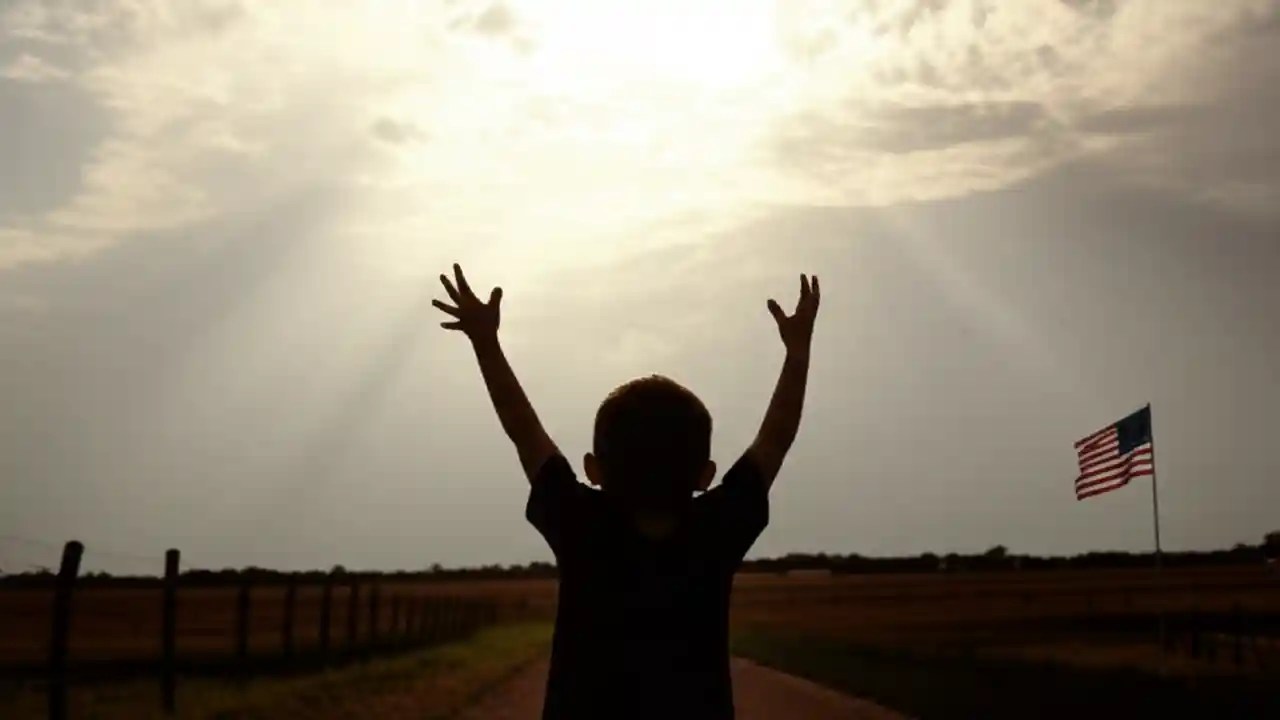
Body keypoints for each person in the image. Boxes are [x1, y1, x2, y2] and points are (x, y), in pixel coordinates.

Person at [433, 263, 820, 719]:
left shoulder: (580, 524)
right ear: (706, 474)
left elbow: (522, 428)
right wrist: (798, 351)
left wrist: (485, 343)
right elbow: (776, 437)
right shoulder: (715, 531)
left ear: (593, 469)